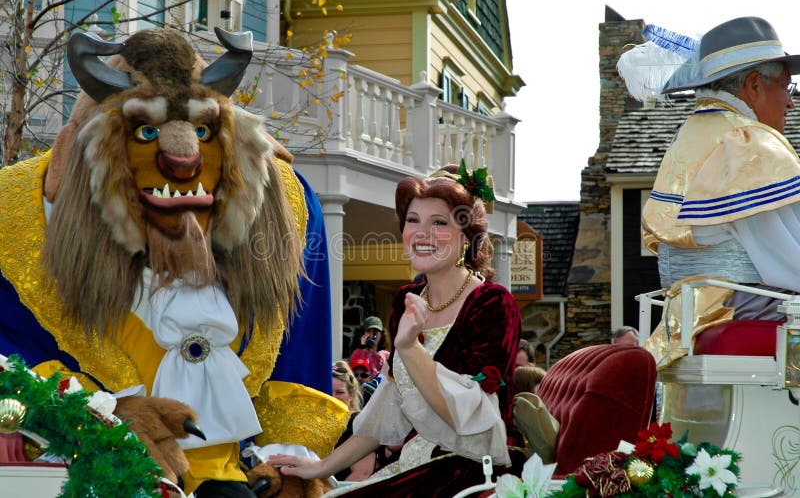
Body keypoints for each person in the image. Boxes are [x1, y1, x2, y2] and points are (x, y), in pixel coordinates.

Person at [0, 27, 349, 497]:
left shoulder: (284, 200)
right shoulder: (18, 213)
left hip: (232, 478)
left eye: (202, 131)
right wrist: (101, 418)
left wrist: (290, 454)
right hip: (106, 474)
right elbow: (14, 356)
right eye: (146, 131)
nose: (183, 158)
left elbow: (298, 344)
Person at [269, 161, 523, 496]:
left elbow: (467, 422)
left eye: (439, 222)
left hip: (474, 467)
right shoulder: (407, 298)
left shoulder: (492, 304)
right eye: (413, 220)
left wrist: (409, 348)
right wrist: (321, 466)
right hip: (420, 461)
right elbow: (389, 410)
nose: (422, 233)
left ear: (466, 237)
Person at [620, 17, 800, 365]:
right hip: (738, 307)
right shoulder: (751, 143)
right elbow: (791, 254)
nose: (791, 103)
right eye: (785, 86)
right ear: (753, 85)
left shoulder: (691, 136)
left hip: (687, 312)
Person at [332, 362, 376, 482]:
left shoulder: (358, 422)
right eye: (328, 392)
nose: (333, 397)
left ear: (351, 395)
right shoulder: (313, 421)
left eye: (340, 392)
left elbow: (362, 474)